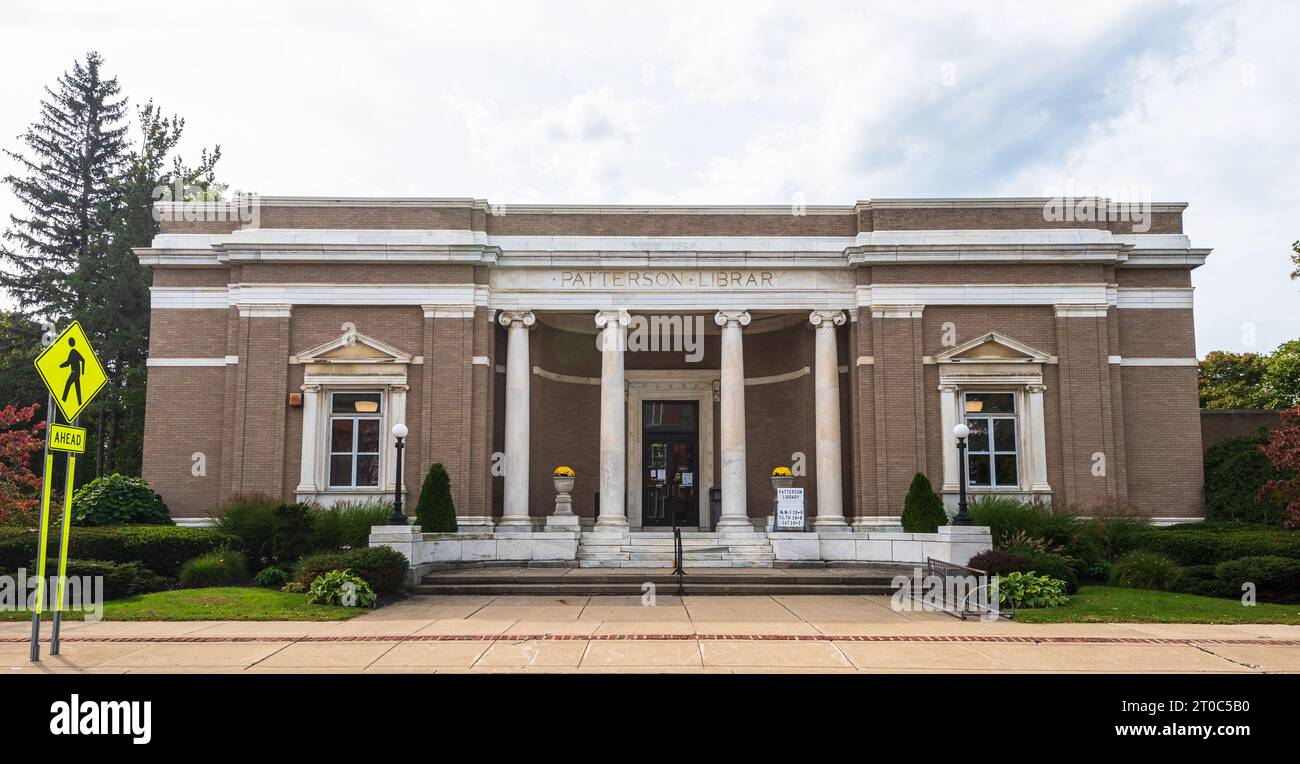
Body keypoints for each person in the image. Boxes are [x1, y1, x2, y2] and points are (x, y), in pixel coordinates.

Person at [59, 337, 85, 405]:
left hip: (74, 373)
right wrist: (81, 372)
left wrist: (59, 366)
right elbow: (82, 360)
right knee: (77, 388)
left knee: (68, 384)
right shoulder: (74, 351)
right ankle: (80, 403)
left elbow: (68, 363)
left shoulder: (73, 352)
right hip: (77, 373)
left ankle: (63, 400)